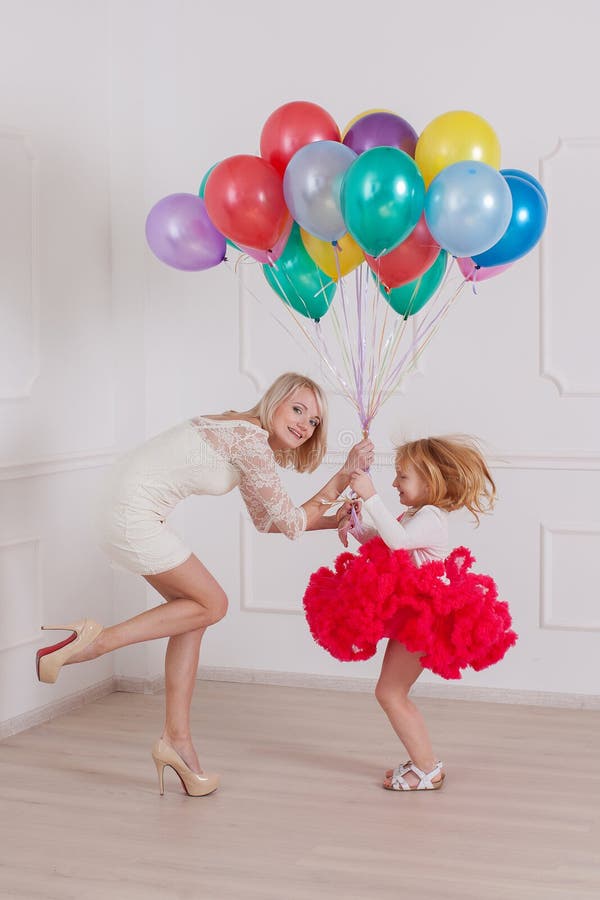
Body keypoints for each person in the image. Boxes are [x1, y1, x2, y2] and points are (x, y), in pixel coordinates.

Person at [36, 372, 374, 797]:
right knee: (213, 604)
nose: (304, 425)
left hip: (121, 508)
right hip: (130, 514)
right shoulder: (249, 441)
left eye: (314, 422)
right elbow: (288, 522)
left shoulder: (242, 432)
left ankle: (176, 743)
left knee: (192, 616)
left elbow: (270, 522)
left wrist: (339, 519)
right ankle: (93, 641)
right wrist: (344, 476)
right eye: (298, 409)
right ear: (275, 402)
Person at [303, 435, 517, 792]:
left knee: (390, 692)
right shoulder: (417, 513)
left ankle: (427, 768)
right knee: (390, 691)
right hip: (414, 615)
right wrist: (355, 522)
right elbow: (387, 541)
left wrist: (371, 497)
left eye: (402, 477)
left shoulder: (432, 516)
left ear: (430, 482)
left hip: (428, 618)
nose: (393, 483)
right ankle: (425, 763)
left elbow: (399, 541)